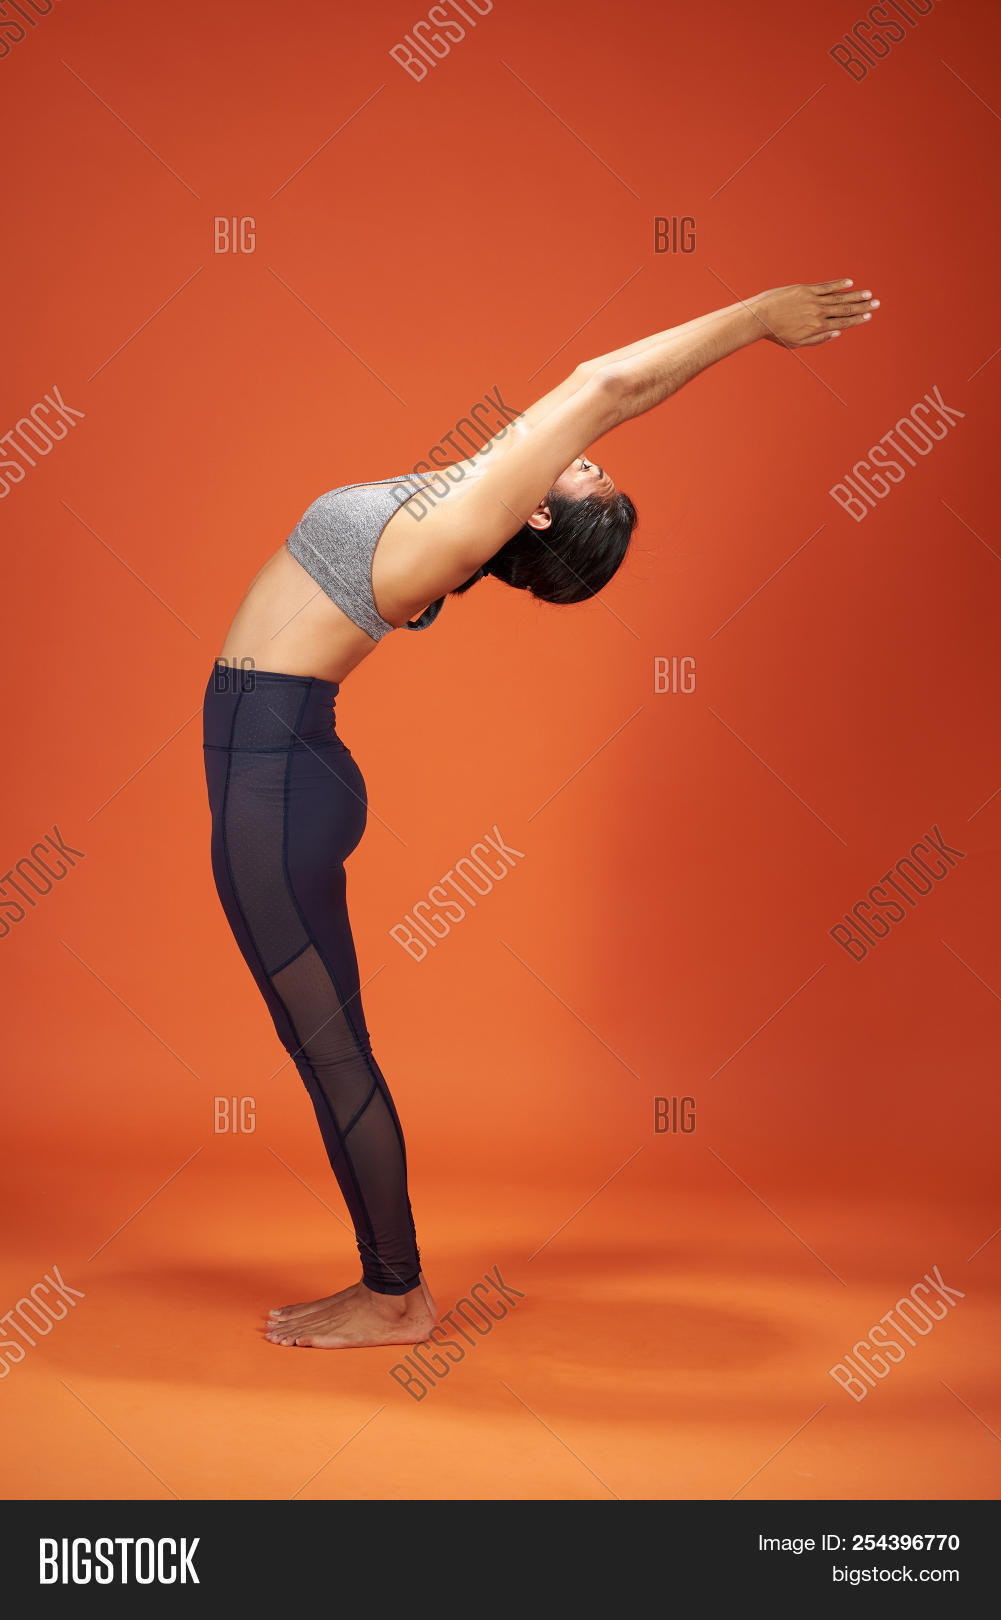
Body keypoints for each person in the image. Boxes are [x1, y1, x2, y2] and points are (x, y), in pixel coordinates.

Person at [202, 278, 879, 1349]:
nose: (579, 451)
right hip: (282, 773)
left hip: (270, 792)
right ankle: (388, 1285)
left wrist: (756, 319)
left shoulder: (468, 519)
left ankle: (394, 1295)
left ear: (534, 511)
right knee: (323, 1045)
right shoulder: (455, 503)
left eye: (587, 474)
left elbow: (606, 383)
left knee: (328, 1052)